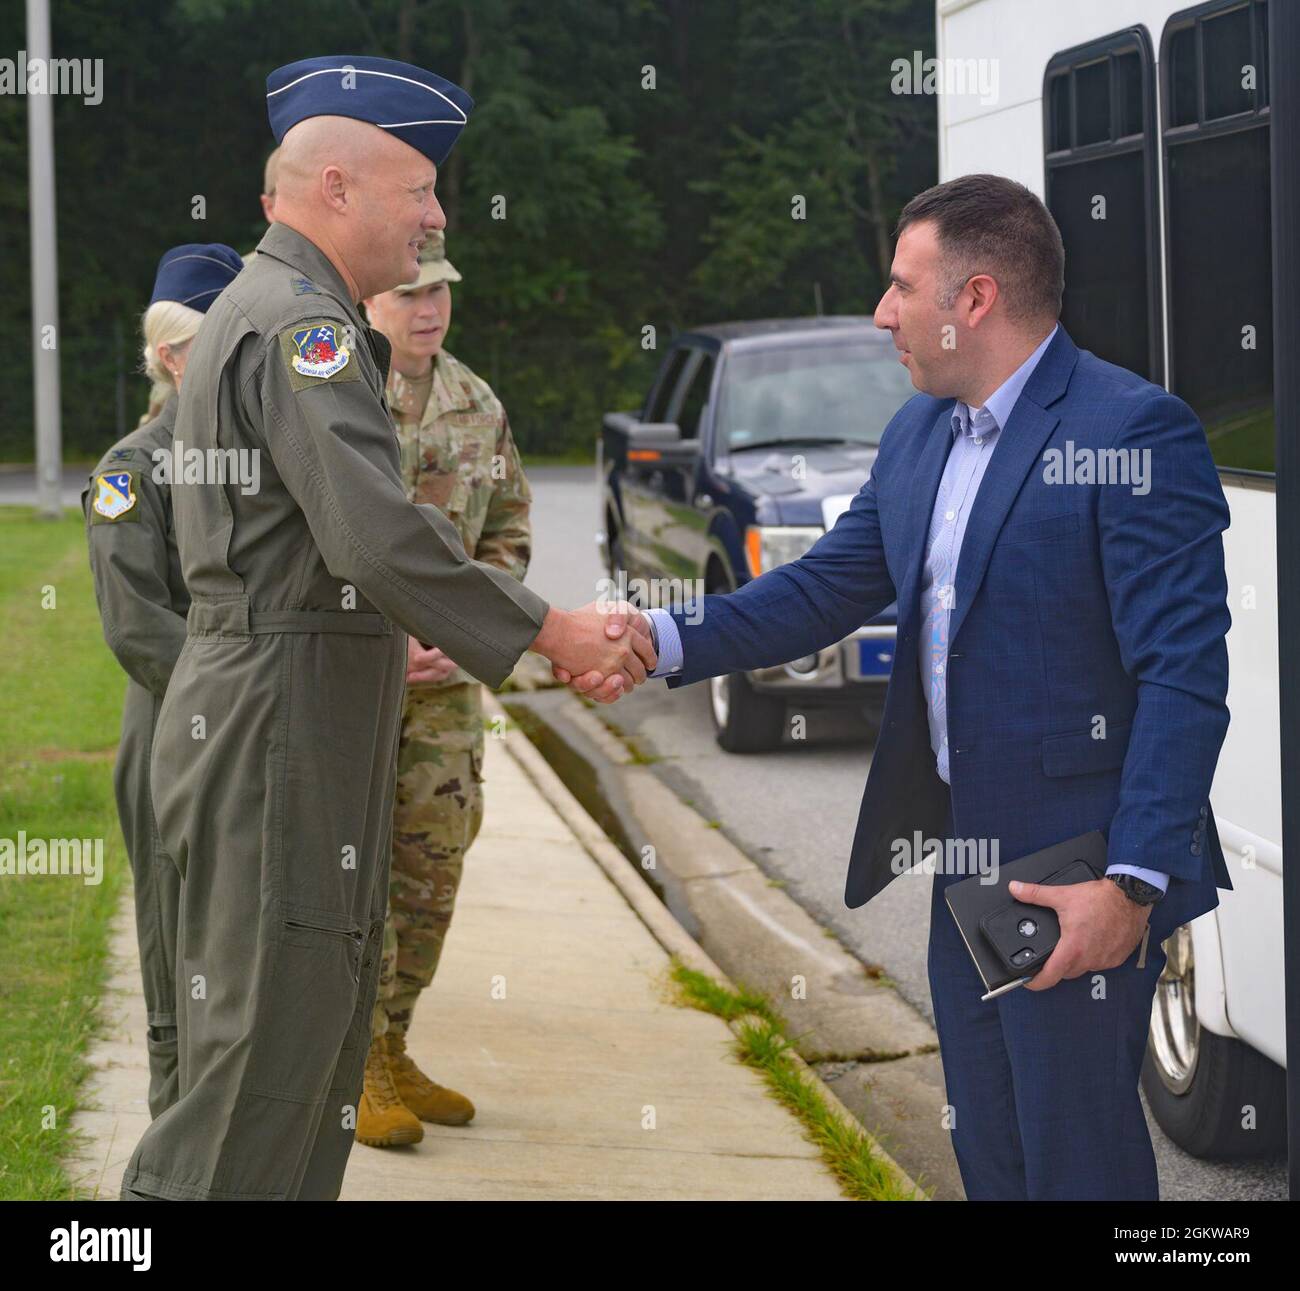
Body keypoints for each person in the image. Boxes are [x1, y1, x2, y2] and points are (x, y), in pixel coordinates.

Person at [566, 174, 1233, 1201]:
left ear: (971, 299)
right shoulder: (919, 432)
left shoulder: (1131, 430)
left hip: (1079, 869)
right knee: (989, 1149)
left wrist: (1131, 883)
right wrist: (655, 637)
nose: (883, 313)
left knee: (1078, 1159)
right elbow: (818, 592)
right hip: (962, 856)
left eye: (898, 286)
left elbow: (1181, 675)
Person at [119, 55, 653, 1203]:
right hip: (279, 721)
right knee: (256, 1072)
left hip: (304, 709)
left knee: (313, 1057)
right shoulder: (301, 327)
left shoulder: (291, 316)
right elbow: (374, 537)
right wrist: (554, 630)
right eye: (417, 189)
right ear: (338, 188)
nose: (436, 215)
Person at [356, 231, 528, 1146]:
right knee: (357, 871)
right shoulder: (335, 392)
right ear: (376, 294)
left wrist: (463, 636)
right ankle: (357, 1062)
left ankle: (396, 1039)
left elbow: (507, 533)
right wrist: (389, 635)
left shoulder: (477, 402)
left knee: (431, 868)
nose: (429, 308)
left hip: (446, 694)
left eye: (441, 292)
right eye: (412, 292)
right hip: (353, 682)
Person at [82, 242, 243, 1118]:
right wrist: (239, 685)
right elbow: (136, 622)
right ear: (175, 354)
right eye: (222, 338)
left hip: (248, 726)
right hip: (176, 728)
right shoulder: (128, 471)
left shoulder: (251, 456)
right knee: (175, 941)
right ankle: (172, 1136)